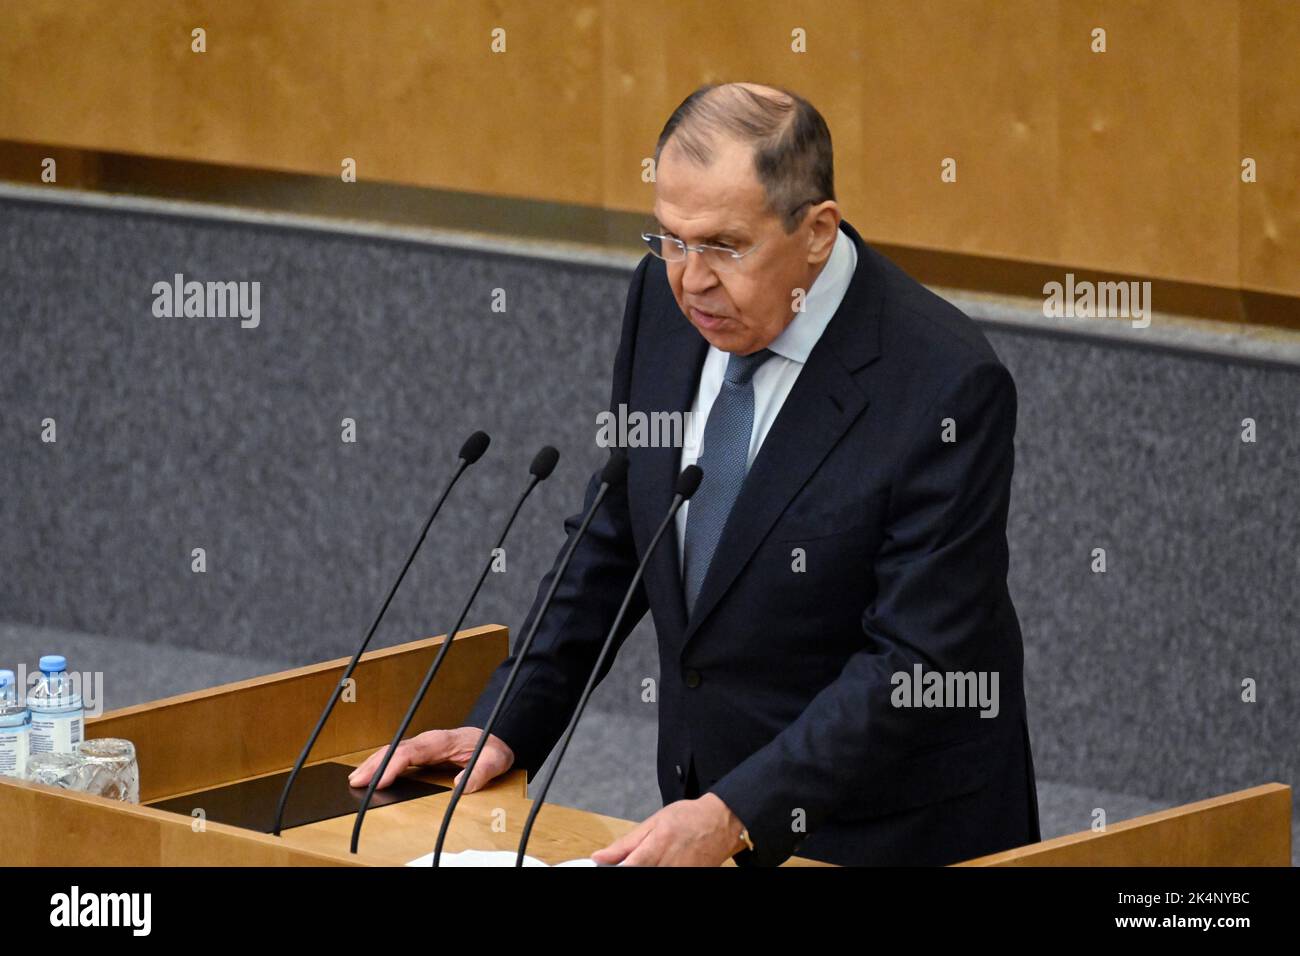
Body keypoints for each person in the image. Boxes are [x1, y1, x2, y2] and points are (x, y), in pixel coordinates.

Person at [350, 81, 1040, 867]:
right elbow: (620, 530)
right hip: (703, 811)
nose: (691, 279)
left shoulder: (942, 384)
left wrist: (742, 811)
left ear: (817, 232)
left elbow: (917, 660)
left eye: (722, 245)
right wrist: (507, 721)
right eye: (669, 239)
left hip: (883, 831)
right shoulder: (663, 302)